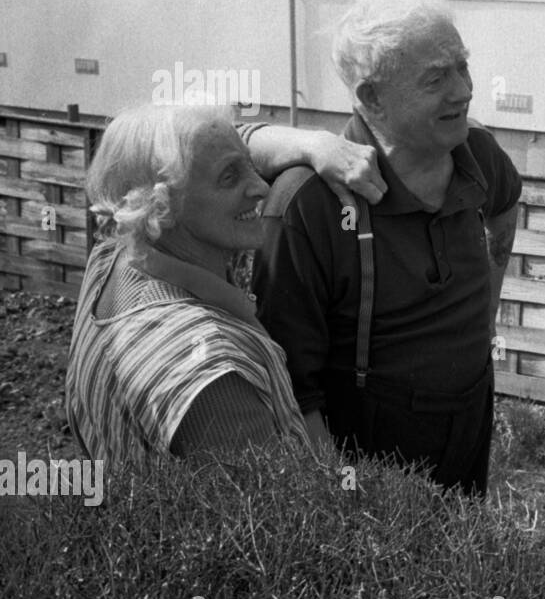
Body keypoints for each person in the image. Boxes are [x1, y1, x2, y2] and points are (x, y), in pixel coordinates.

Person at [253, 0, 521, 496]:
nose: (464, 91)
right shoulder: (309, 205)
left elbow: (505, 208)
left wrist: (483, 315)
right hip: (372, 456)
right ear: (372, 98)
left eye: (463, 67)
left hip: (469, 417)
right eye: (436, 77)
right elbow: (291, 392)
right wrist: (340, 500)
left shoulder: (479, 155)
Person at [66, 103, 376, 466]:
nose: (261, 187)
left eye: (251, 164)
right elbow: (282, 515)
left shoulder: (110, 260)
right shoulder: (209, 372)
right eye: (230, 177)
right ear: (161, 204)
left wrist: (317, 145)